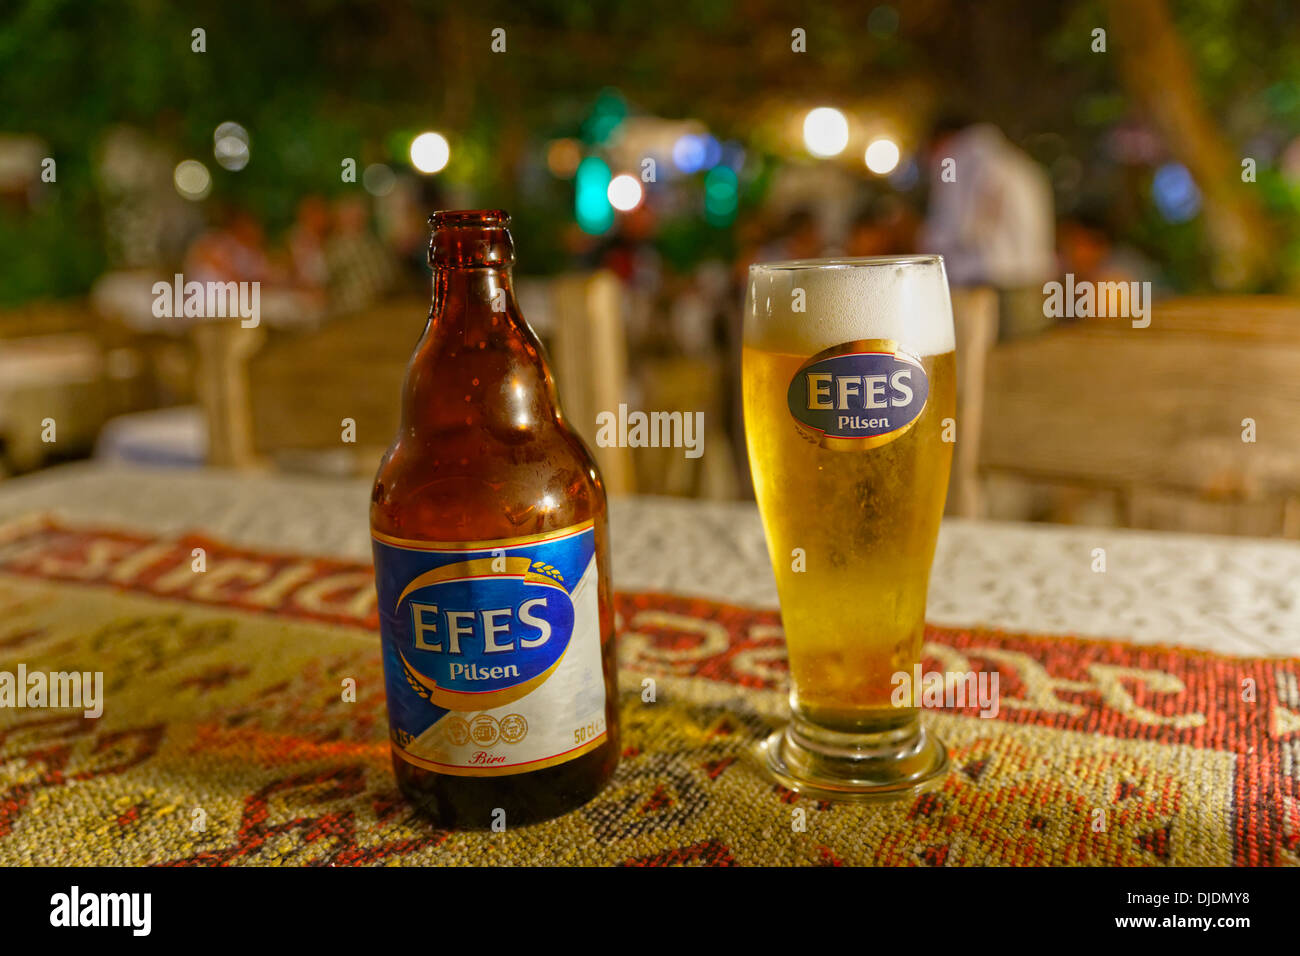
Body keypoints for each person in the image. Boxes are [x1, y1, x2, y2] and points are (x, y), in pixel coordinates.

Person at [919, 113, 1055, 340]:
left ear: (940, 139)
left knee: (992, 370)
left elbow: (955, 229)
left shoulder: (956, 159)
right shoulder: (1011, 160)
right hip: (1031, 285)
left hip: (989, 289)